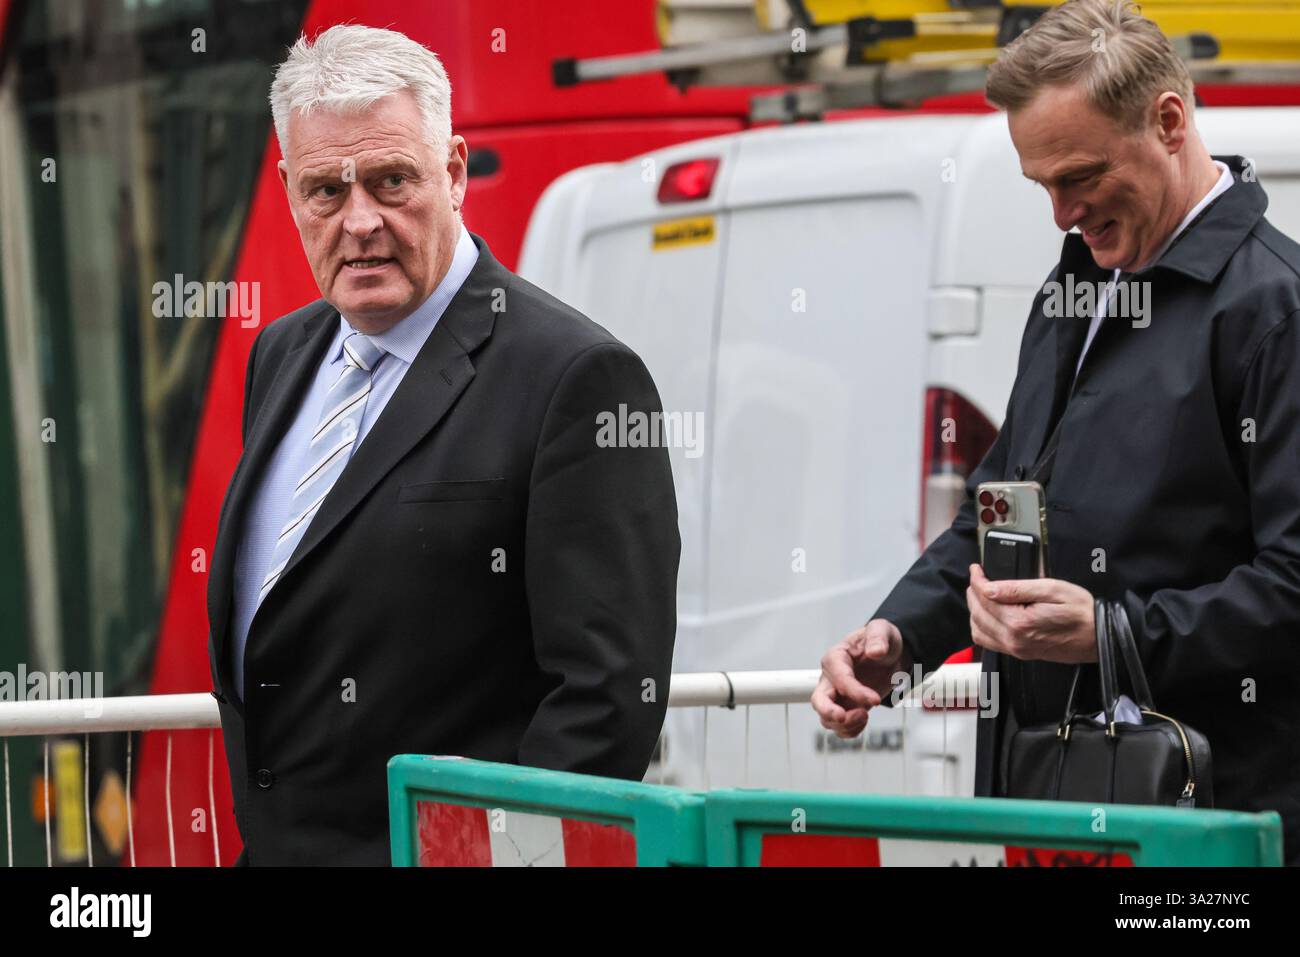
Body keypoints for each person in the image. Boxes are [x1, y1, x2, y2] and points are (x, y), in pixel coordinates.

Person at [812, 0, 1300, 865]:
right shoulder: (1071, 290)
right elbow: (999, 510)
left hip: (1213, 830)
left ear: (1170, 120)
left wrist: (1114, 633)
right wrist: (898, 638)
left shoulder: (1274, 309)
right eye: (1041, 184)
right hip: (1053, 815)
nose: (1061, 212)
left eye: (1079, 176)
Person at [206, 24, 680, 865]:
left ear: (454, 170)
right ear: (287, 190)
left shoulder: (575, 375)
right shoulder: (280, 353)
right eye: (325, 190)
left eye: (392, 181)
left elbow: (606, 700)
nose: (359, 222)